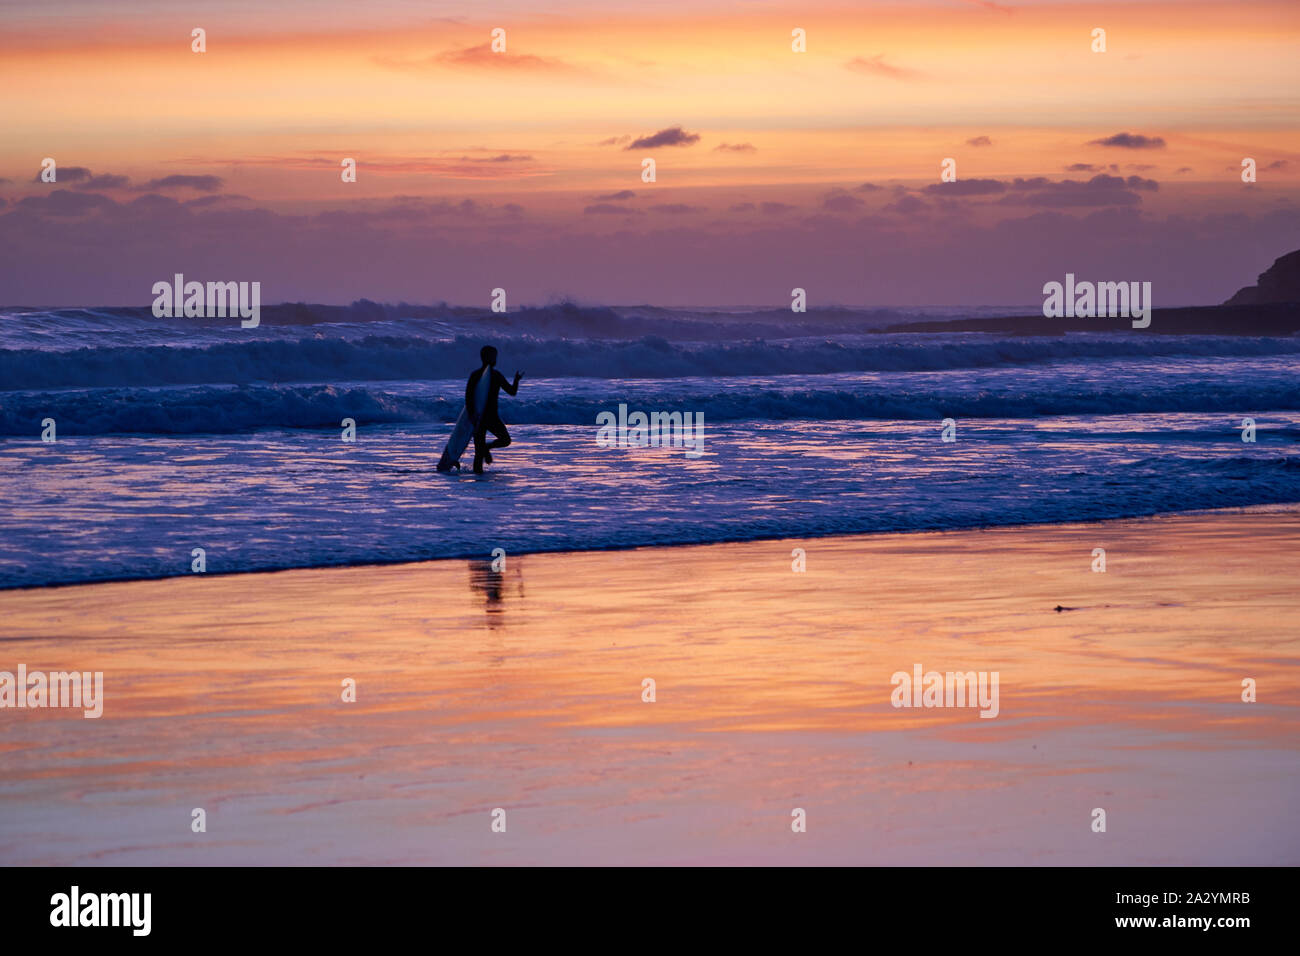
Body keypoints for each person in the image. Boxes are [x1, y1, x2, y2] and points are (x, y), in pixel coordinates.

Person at [465, 345, 523, 474]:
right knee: (479, 454)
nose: (495, 359)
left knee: (504, 441)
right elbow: (468, 397)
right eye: (493, 356)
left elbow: (511, 391)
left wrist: (516, 381)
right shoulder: (480, 375)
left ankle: (486, 447)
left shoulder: (494, 375)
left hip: (487, 417)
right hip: (482, 417)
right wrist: (472, 415)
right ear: (485, 357)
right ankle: (478, 479)